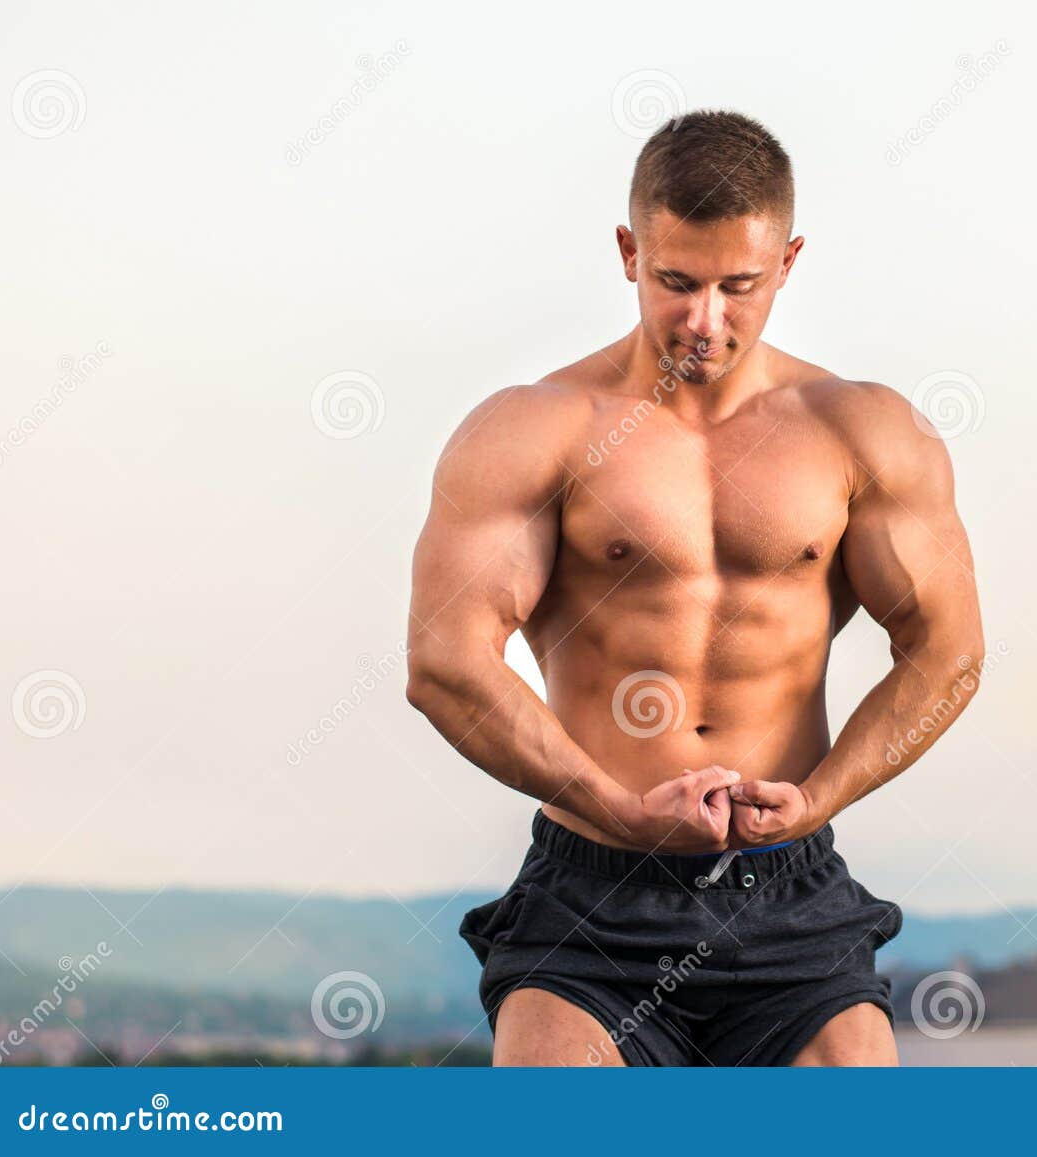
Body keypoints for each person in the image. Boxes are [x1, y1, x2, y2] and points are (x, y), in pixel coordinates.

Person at [404, 108, 984, 1066]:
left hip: (786, 884)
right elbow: (445, 664)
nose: (705, 319)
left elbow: (949, 653)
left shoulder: (863, 430)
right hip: (592, 895)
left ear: (788, 263)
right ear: (629, 251)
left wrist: (819, 794)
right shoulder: (531, 428)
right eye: (676, 281)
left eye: (738, 286)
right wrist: (613, 805)